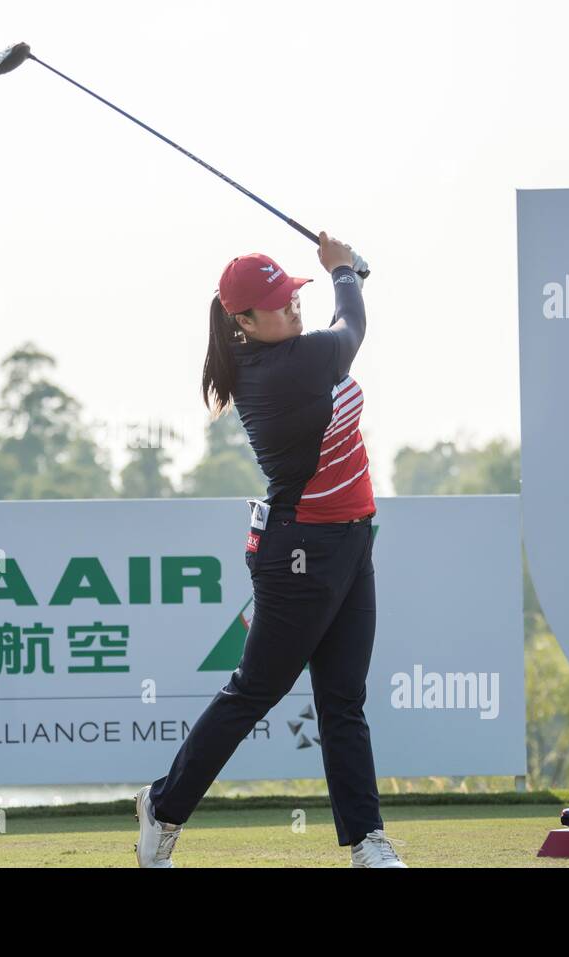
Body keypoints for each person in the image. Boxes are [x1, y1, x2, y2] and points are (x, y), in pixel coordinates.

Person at [133, 231, 405, 868]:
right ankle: (164, 808)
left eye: (293, 296)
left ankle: (367, 841)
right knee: (255, 691)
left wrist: (346, 276)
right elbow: (352, 330)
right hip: (300, 550)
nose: (292, 308)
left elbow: (341, 324)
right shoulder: (282, 367)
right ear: (244, 322)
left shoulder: (286, 351)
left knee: (343, 699)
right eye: (279, 304)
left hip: (351, 539)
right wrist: (344, 272)